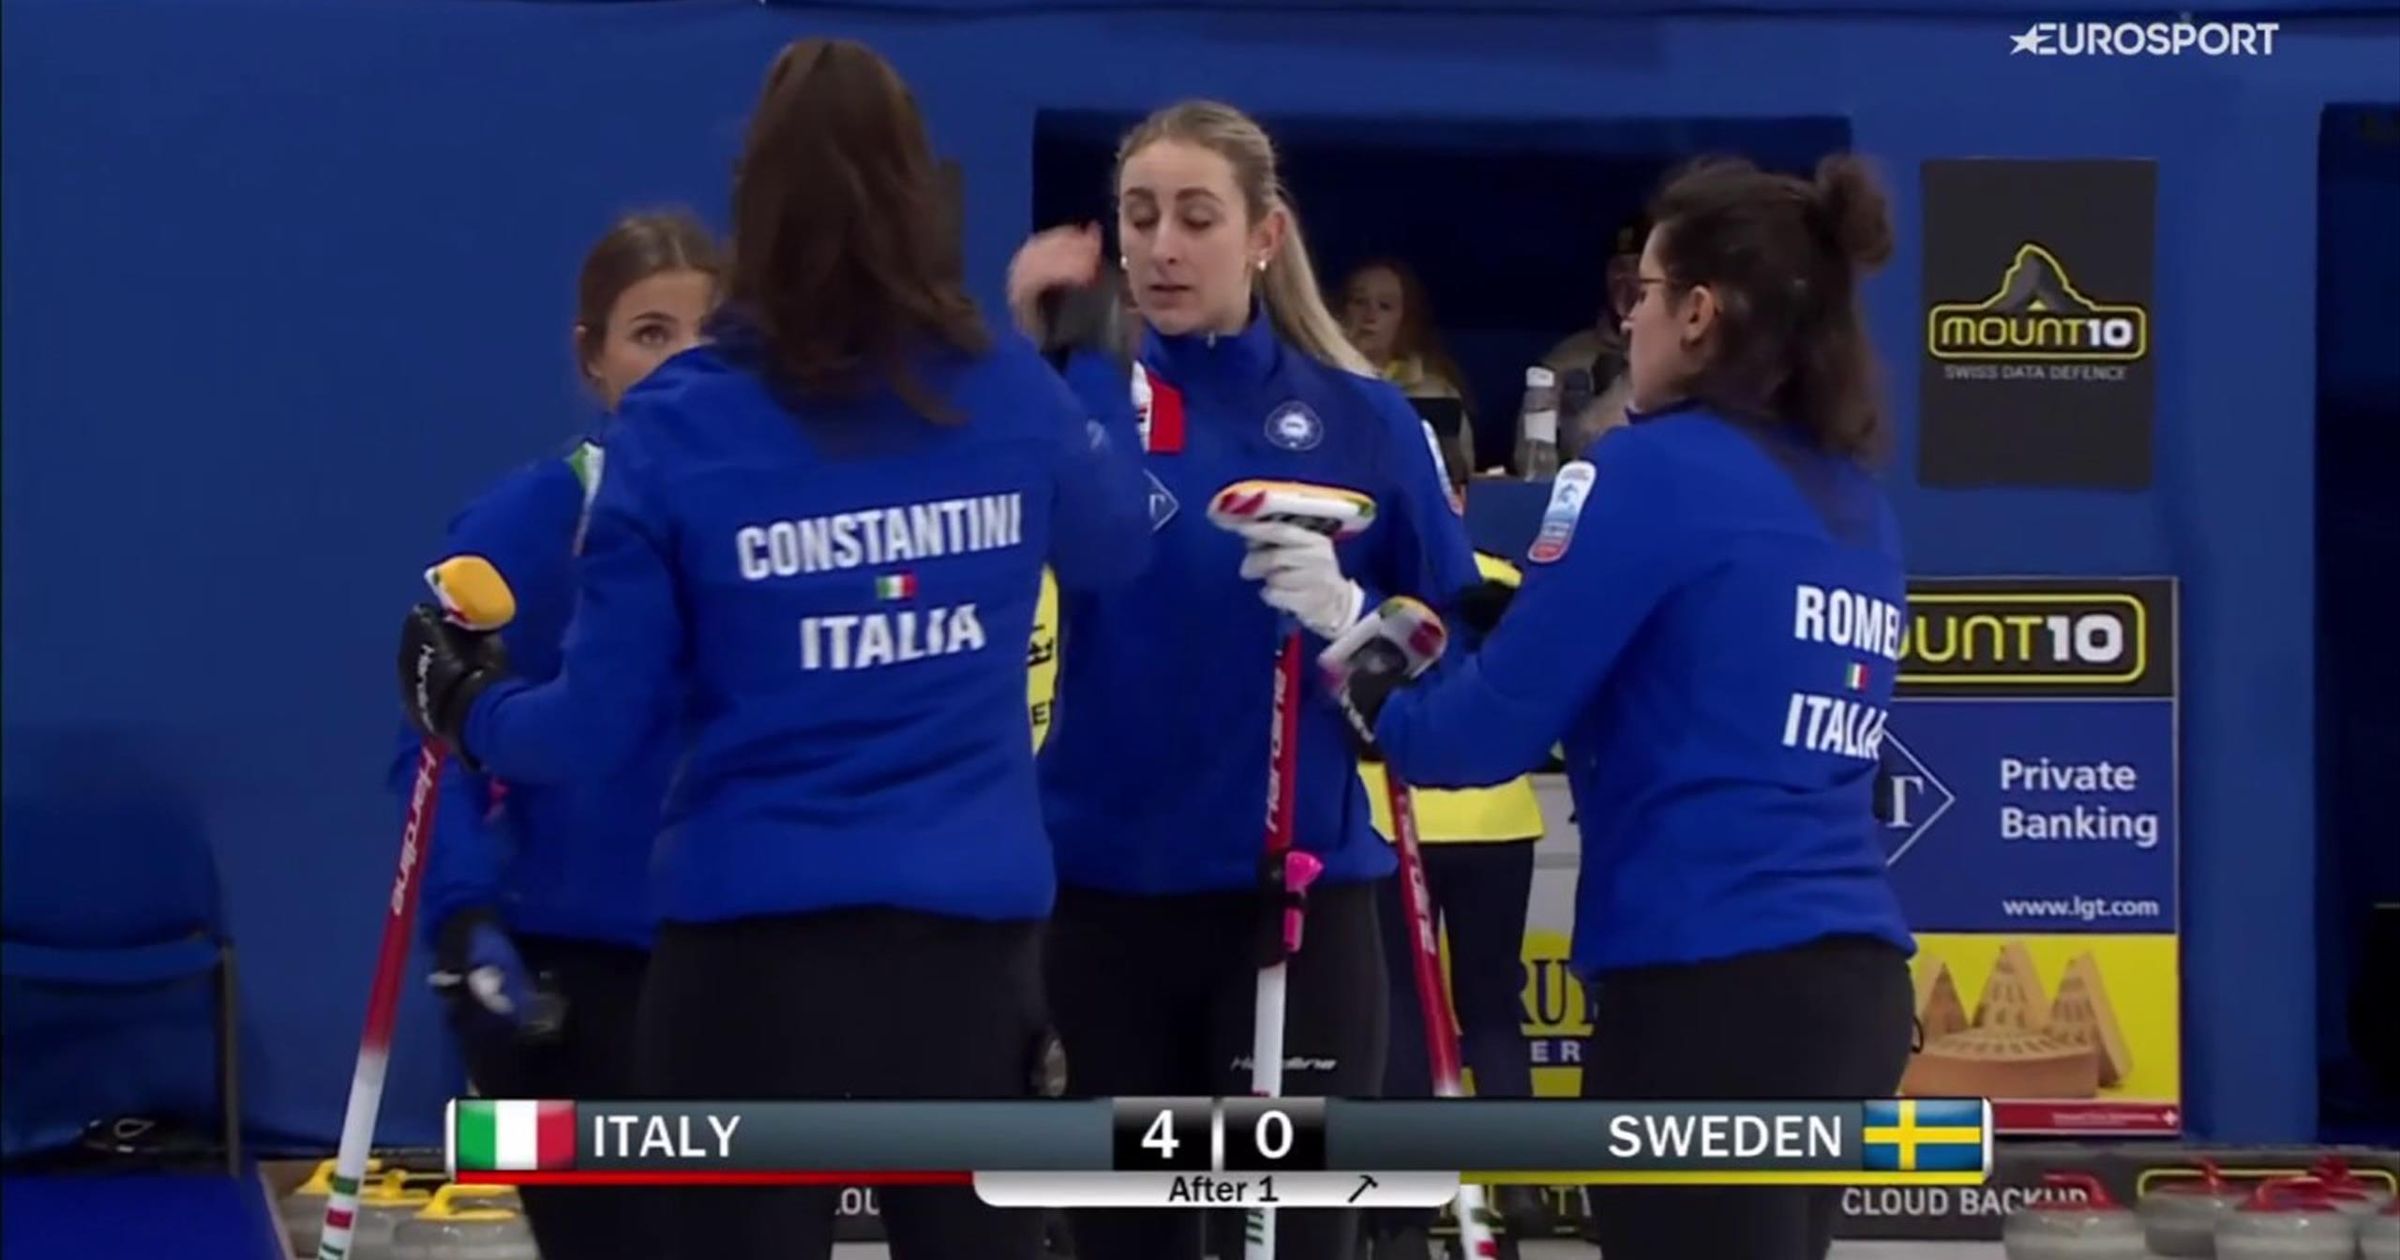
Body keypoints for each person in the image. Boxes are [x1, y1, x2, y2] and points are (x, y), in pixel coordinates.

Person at [394, 37, 1154, 1260]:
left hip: (750, 961)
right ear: (923, 193)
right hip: (966, 961)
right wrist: (1084, 354)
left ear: (754, 205)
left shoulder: (680, 425)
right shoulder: (1006, 392)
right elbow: (1122, 547)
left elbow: (594, 724)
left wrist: (468, 704)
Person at [1334, 154, 1917, 1260]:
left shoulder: (1648, 471)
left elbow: (1478, 737)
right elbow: (1689, 677)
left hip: (1706, 995)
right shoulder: (1856, 502)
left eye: (1641, 296)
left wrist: (1367, 681)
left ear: (1698, 314)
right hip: (1849, 994)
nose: (1630, 320)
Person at [1005, 99, 1482, 1260]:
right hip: (1106, 893)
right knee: (1127, 1238)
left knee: (1298, 1237)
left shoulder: (1362, 418)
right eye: (1140, 217)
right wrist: (1031, 354)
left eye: (1196, 218)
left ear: (1264, 235)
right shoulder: (1078, 396)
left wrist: (1350, 617)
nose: (1163, 246)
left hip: (1298, 895)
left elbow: (1453, 645)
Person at [389, 208, 718, 1260]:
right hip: (582, 976)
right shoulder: (523, 523)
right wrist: (461, 911)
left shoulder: (779, 512)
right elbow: (431, 741)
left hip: (747, 958)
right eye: (650, 334)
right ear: (594, 358)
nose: (680, 364)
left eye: (709, 336)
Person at [1358, 464, 1554, 1260]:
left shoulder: (1377, 596)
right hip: (1497, 820)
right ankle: (1524, 1186)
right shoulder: (1506, 578)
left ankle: (1405, 1215)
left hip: (1398, 822)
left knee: (1406, 1010)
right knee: (1491, 1005)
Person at [1339, 258, 1475, 476]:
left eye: (1385, 306)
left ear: (1404, 320)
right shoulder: (1312, 381)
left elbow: (1460, 475)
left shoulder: (1436, 392)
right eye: (1359, 301)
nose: (1370, 316)